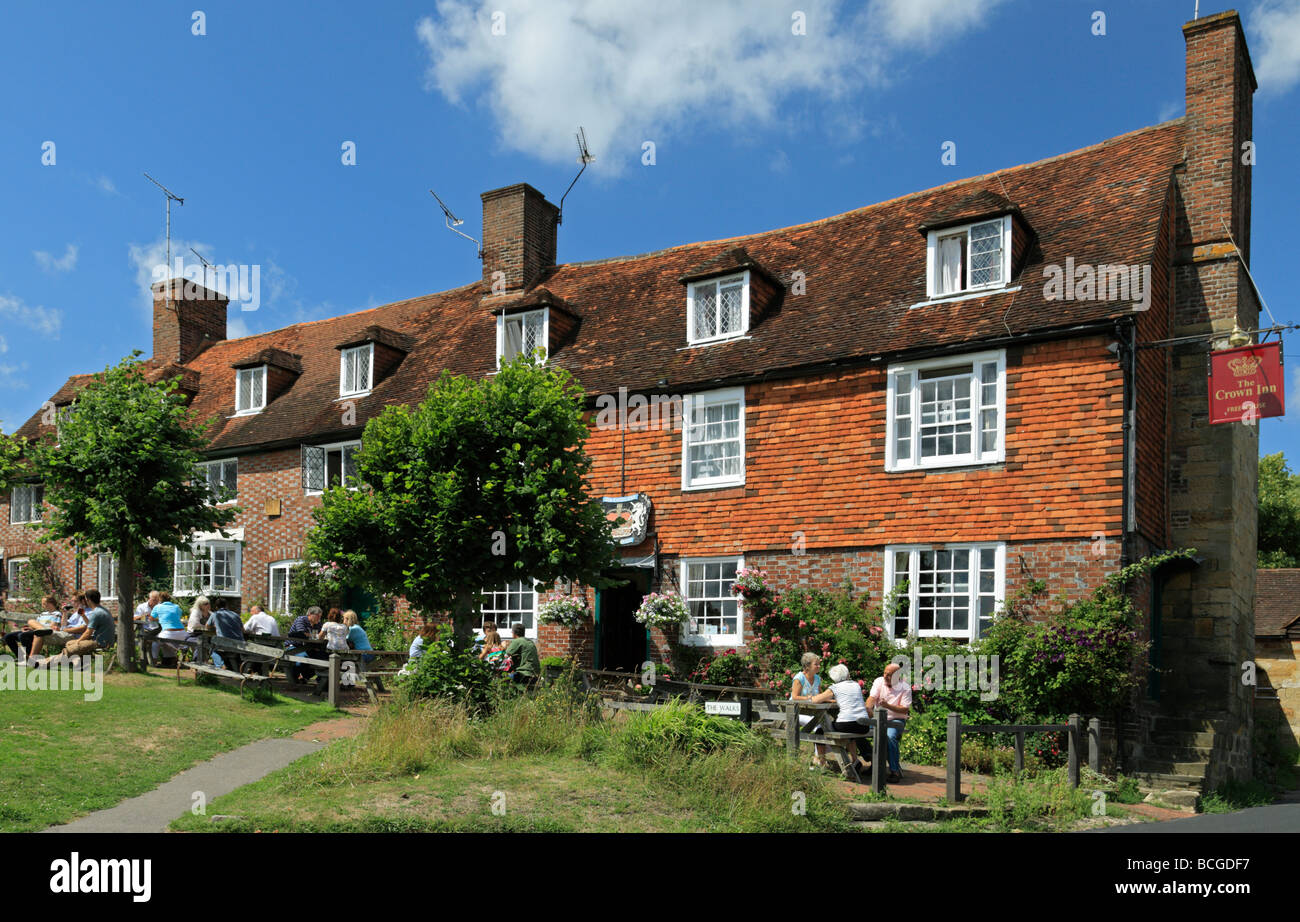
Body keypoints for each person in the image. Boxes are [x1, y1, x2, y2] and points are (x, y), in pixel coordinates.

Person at [810, 663, 873, 778]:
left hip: (846, 724)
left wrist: (816, 697)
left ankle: (822, 763)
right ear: (847, 674)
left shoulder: (835, 687)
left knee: (819, 732)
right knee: (851, 734)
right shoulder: (855, 685)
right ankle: (855, 760)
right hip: (864, 725)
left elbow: (816, 700)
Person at [35, 589, 114, 668]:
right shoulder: (102, 610)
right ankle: (78, 665)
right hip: (99, 640)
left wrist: (78, 641)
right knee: (69, 643)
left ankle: (43, 663)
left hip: (101, 643)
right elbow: (89, 626)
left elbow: (88, 632)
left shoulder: (96, 613)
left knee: (70, 649)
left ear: (87, 600)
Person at [868, 662, 913, 783]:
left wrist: (887, 706)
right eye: (884, 673)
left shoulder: (905, 687)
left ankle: (894, 771)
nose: (885, 676)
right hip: (878, 719)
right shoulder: (879, 681)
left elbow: (904, 709)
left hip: (896, 719)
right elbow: (872, 698)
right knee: (856, 730)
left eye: (889, 675)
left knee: (890, 736)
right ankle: (873, 762)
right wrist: (868, 709)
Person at [790, 652, 828, 768]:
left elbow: (820, 695)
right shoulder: (799, 678)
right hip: (796, 712)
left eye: (818, 664)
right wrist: (809, 698)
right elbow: (795, 697)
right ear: (807, 666)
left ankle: (818, 758)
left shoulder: (817, 678)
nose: (819, 666)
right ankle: (819, 759)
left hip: (813, 712)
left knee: (827, 724)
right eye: (816, 664)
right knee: (819, 726)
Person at [3, 595, 60, 662]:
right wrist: (28, 628)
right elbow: (35, 624)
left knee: (23, 635)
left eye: (44, 604)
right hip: (35, 630)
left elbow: (52, 626)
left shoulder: (57, 613)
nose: (42, 605)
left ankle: (30, 658)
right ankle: (21, 658)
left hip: (44, 632)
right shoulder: (43, 614)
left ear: (50, 604)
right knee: (8, 636)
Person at [287, 606, 323, 684]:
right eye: (317, 616)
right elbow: (302, 634)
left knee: (322, 657)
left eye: (320, 616)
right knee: (303, 659)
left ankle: (306, 677)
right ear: (310, 614)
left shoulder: (318, 624)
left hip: (308, 648)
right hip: (294, 647)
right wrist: (316, 636)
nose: (319, 618)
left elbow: (320, 636)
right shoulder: (301, 619)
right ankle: (293, 677)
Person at [208, 596, 243, 670]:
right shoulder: (235, 614)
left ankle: (221, 665)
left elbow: (207, 626)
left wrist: (216, 627)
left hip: (226, 644)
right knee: (222, 649)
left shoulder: (216, 614)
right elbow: (243, 629)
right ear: (227, 605)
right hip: (240, 644)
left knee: (212, 649)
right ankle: (227, 665)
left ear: (216, 607)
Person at [153, 591, 188, 663]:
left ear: (159, 599)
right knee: (168, 643)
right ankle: (171, 659)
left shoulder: (158, 607)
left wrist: (160, 618)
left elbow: (151, 618)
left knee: (155, 643)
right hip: (182, 633)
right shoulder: (176, 607)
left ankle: (154, 661)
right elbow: (177, 617)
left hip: (168, 633)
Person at [504, 622, 540, 687]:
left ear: (514, 633)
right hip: (535, 673)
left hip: (524, 673)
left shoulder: (517, 641)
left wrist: (504, 646)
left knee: (502, 680)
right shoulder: (529, 642)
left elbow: (505, 655)